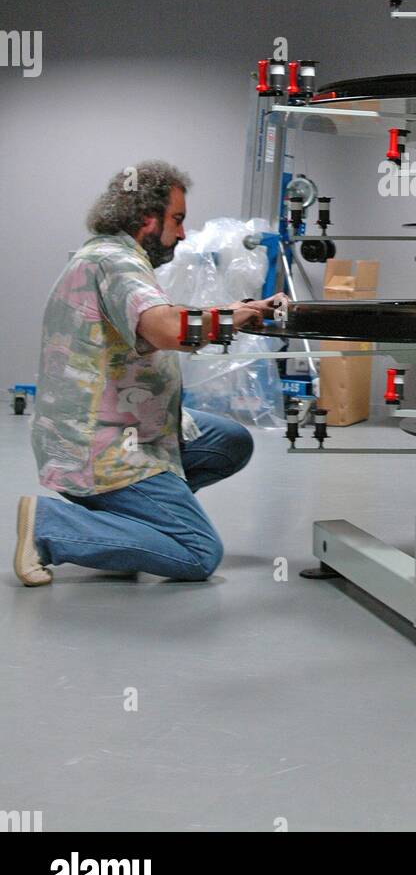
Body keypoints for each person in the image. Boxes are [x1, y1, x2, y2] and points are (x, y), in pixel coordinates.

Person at [13, 161, 279, 587]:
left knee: (230, 441)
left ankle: (128, 529)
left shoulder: (107, 255)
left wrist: (240, 311)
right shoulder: (116, 263)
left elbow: (164, 319)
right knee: (199, 553)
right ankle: (51, 526)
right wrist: (227, 321)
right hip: (103, 449)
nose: (183, 233)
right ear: (145, 219)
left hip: (126, 428)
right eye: (177, 220)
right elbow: (168, 329)